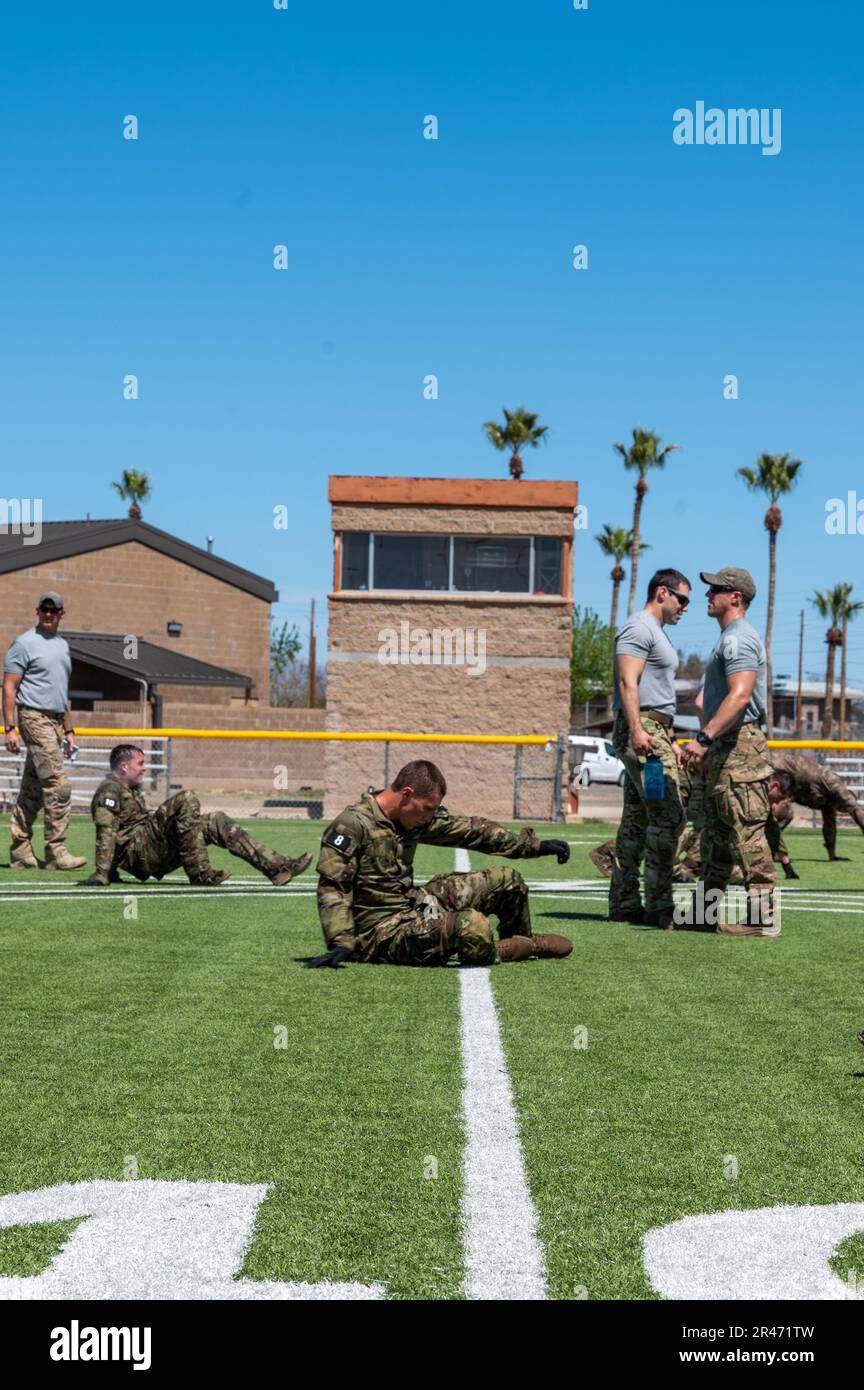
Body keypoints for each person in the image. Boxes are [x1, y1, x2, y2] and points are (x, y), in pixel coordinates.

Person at [308, 759, 573, 967]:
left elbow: (472, 831)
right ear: (407, 795)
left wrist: (533, 846)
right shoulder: (353, 824)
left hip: (414, 906)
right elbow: (333, 886)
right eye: (428, 808)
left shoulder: (416, 816)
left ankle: (522, 941)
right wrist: (341, 941)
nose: (431, 817)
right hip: (380, 935)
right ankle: (503, 950)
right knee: (473, 924)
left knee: (508, 880)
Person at [681, 568, 777, 937]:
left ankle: (763, 920)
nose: (708, 595)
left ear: (735, 597)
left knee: (749, 834)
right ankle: (704, 915)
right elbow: (710, 698)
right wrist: (709, 744)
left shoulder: (739, 639)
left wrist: (703, 738)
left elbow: (739, 697)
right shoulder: (727, 639)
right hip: (726, 747)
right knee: (717, 837)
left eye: (715, 590)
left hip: (740, 747)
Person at [80, 744, 312, 886]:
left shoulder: (129, 789)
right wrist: (103, 873)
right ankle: (200, 873)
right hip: (140, 854)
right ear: (123, 767)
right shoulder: (109, 791)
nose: (144, 768)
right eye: (140, 763)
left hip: (149, 850)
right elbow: (106, 831)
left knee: (215, 821)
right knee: (186, 798)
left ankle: (279, 868)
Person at [606, 568, 690, 929]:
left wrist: (666, 736)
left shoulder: (656, 632)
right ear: (662, 593)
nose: (685, 607)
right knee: (668, 815)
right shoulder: (640, 628)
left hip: (655, 730)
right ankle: (659, 906)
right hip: (643, 731)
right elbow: (628, 680)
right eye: (681, 599)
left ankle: (625, 904)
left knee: (637, 821)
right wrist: (640, 730)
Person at [3, 591, 86, 871]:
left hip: (54, 721)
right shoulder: (24, 643)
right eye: (44, 609)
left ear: (62, 613)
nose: (48, 614)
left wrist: (68, 727)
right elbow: (9, 686)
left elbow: (61, 692)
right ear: (37, 611)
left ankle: (20, 853)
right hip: (33, 717)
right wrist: (10, 728)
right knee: (58, 785)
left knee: (33, 790)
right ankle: (56, 852)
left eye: (54, 610)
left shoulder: (62, 646)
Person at [767, 754, 864, 866]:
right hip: (790, 768)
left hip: (790, 790)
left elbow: (830, 828)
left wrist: (832, 856)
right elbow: (856, 809)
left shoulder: (828, 805)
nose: (839, 810)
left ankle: (768, 848)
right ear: (841, 799)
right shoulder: (834, 783)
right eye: (841, 807)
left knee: (786, 814)